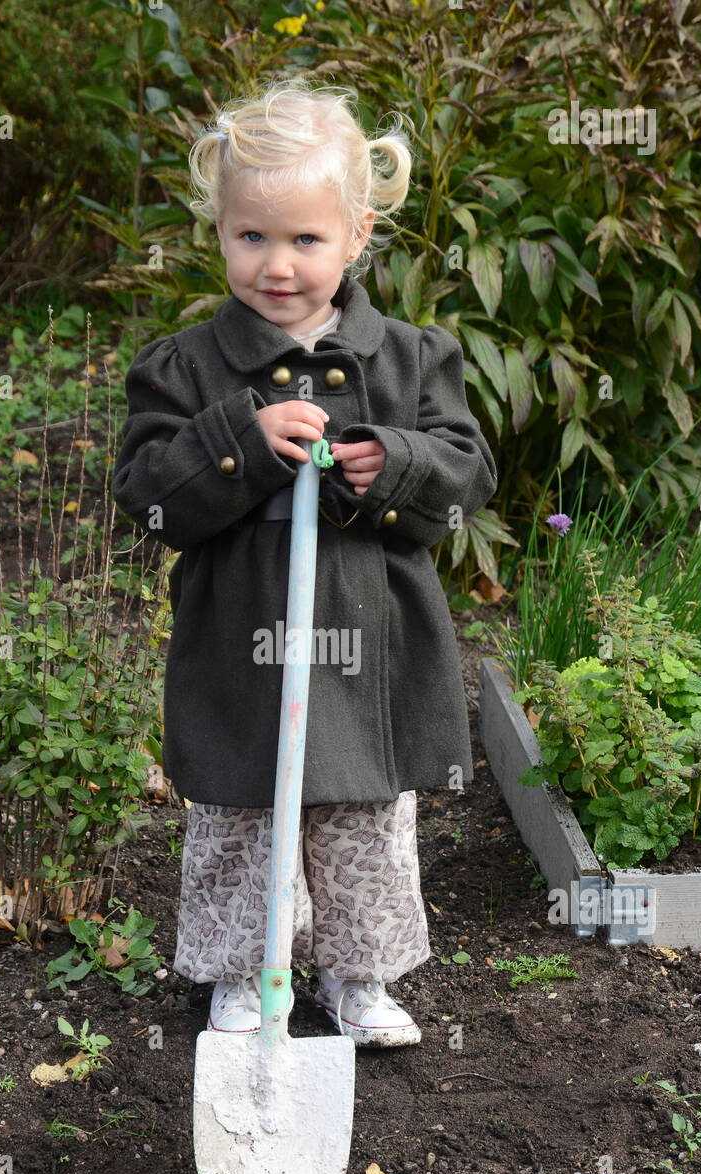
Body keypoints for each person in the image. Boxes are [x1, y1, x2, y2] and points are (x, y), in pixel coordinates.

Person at [112, 77, 498, 1046]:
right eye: (251, 236)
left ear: (357, 235)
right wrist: (239, 436)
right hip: (242, 656)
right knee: (244, 821)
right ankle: (244, 977)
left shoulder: (411, 358)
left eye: (305, 240)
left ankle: (358, 979)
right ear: (219, 231)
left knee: (367, 824)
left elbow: (466, 476)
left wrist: (396, 462)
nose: (276, 265)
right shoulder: (185, 368)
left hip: (372, 656)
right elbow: (150, 492)